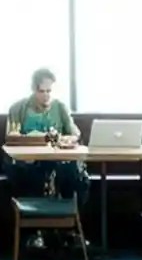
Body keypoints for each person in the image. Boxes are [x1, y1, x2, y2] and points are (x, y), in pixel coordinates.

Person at [5, 68, 89, 250]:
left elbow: (75, 133)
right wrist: (41, 139)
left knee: (77, 175)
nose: (45, 96)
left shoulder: (60, 107)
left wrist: (69, 139)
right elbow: (11, 137)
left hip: (57, 159)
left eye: (49, 91)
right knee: (29, 174)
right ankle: (35, 233)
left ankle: (71, 230)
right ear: (33, 89)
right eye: (41, 91)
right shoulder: (19, 108)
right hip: (28, 161)